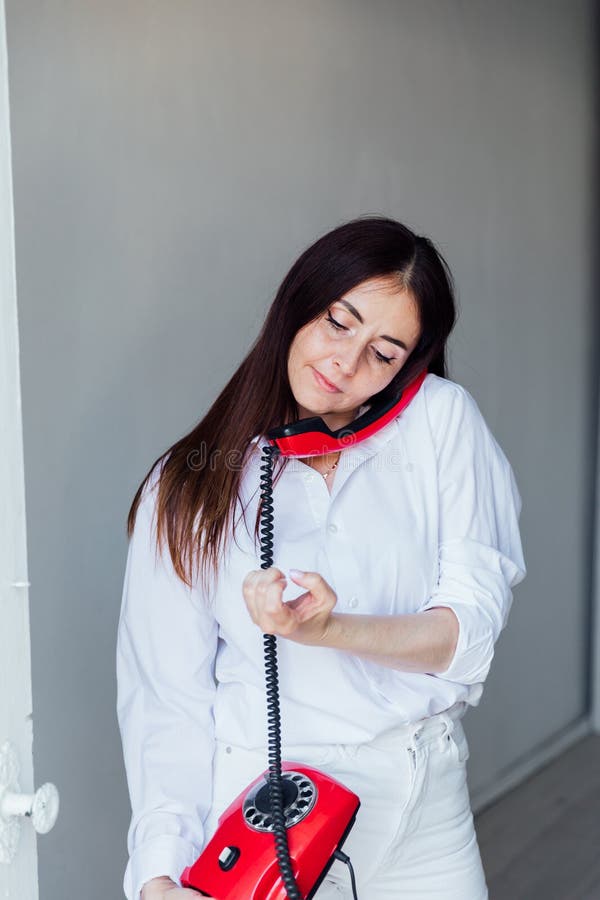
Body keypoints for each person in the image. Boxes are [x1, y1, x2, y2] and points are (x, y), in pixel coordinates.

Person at [116, 215, 526, 900]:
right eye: (339, 322)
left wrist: (328, 630)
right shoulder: (186, 487)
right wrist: (161, 877)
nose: (346, 362)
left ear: (409, 367)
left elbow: (466, 637)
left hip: (428, 802)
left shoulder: (442, 424)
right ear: (300, 301)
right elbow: (167, 704)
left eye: (384, 352)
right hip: (278, 812)